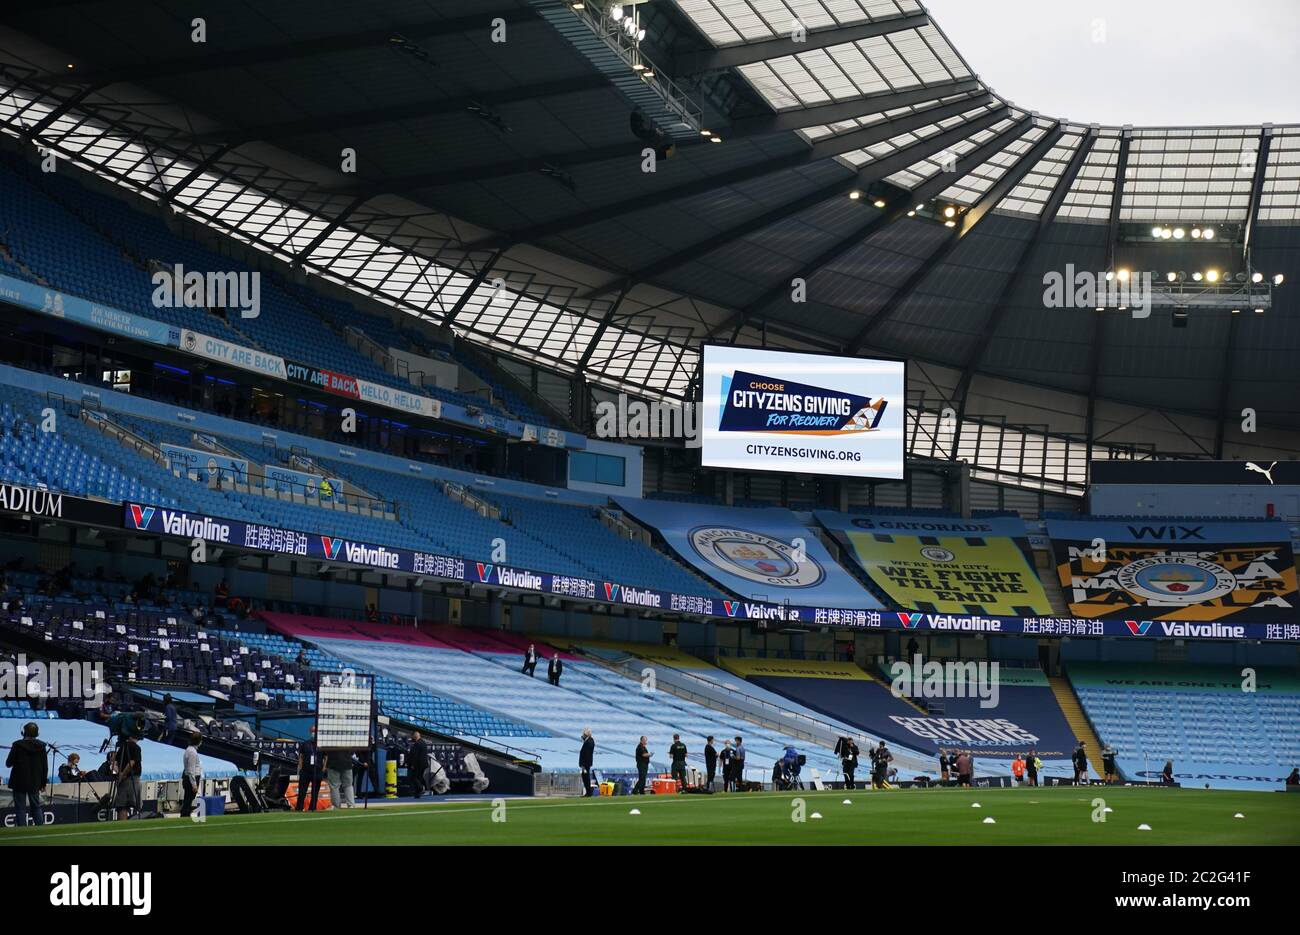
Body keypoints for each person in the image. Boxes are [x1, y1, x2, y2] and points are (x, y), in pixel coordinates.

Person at [5, 721, 47, 827]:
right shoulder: (42, 746)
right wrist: (43, 783)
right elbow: (44, 767)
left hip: (19, 781)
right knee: (36, 806)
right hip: (35, 781)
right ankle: (40, 828)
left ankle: (22, 829)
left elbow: (8, 763)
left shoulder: (17, 745)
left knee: (20, 808)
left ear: (24, 732)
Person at [115, 733, 143, 821]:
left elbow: (115, 762)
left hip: (125, 778)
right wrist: (123, 774)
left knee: (122, 805)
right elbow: (132, 762)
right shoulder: (135, 747)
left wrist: (119, 773)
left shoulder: (121, 747)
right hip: (131, 778)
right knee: (125, 804)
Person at [295, 725, 323, 811]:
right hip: (306, 771)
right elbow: (301, 756)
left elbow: (326, 757)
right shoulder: (305, 744)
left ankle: (312, 808)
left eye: (315, 731)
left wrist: (324, 768)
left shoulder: (321, 744)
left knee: (315, 791)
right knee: (302, 791)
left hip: (317, 770)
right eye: (312, 732)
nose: (313, 733)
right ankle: (299, 808)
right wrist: (301, 767)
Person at [180, 732, 202, 818]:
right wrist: (194, 784)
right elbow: (191, 770)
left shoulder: (190, 750)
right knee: (188, 800)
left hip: (189, 777)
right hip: (191, 779)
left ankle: (185, 814)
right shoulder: (192, 752)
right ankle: (185, 815)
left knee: (188, 799)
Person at [407, 731, 429, 799]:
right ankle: (417, 793)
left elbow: (415, 756)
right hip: (423, 764)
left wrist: (413, 764)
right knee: (419, 778)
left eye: (413, 736)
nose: (412, 738)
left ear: (415, 736)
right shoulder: (423, 743)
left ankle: (420, 788)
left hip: (418, 765)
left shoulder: (417, 744)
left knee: (414, 777)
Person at [578, 728, 595, 796]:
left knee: (586, 777)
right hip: (585, 763)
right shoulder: (588, 741)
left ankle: (589, 792)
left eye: (584, 734)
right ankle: (588, 791)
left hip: (586, 764)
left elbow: (587, 754)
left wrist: (583, 764)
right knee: (584, 776)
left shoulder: (589, 742)